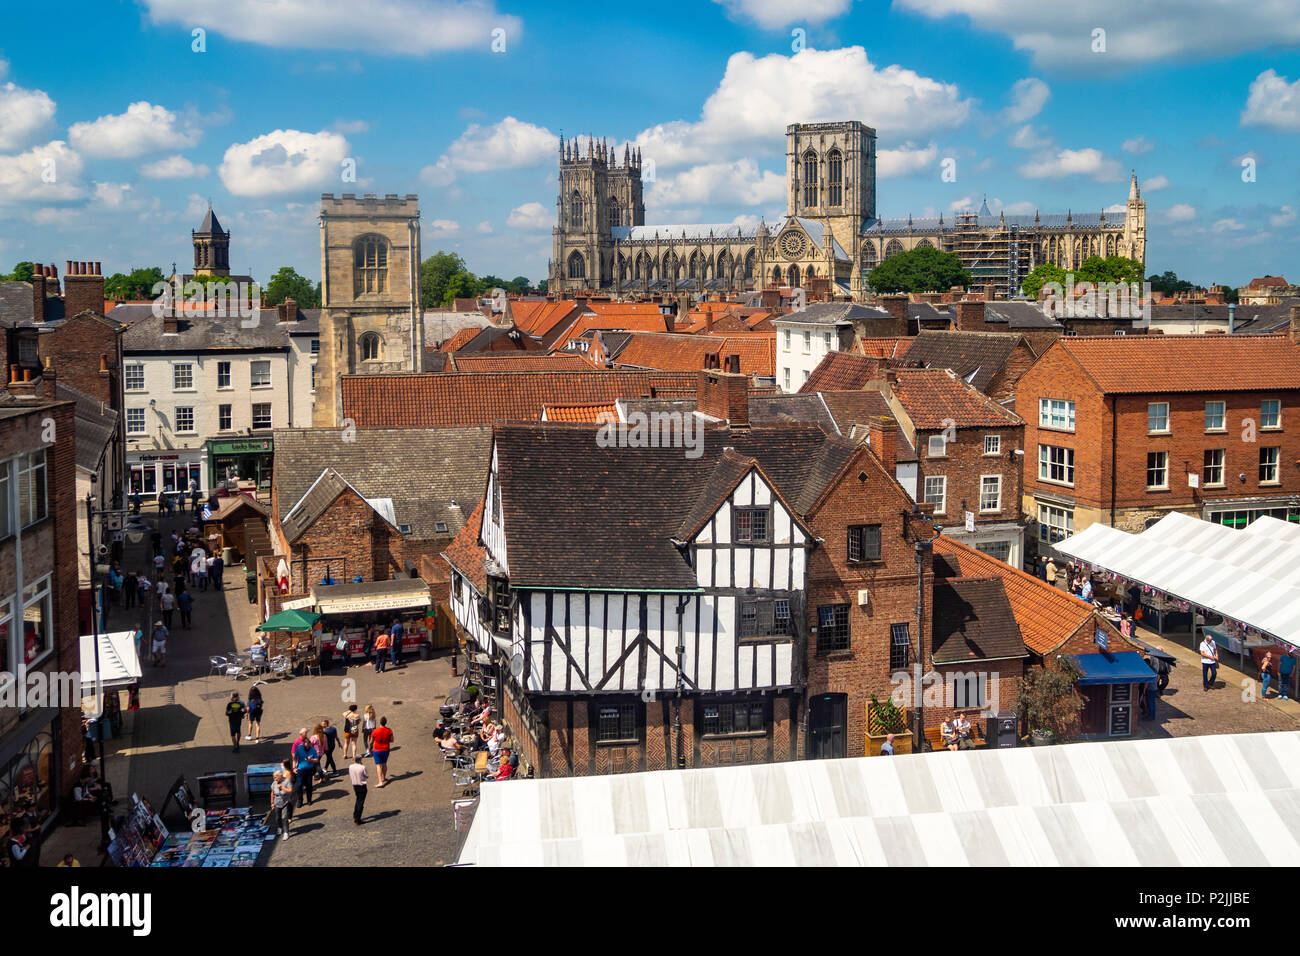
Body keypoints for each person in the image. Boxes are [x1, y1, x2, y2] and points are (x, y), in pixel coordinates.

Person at [292, 733, 319, 807]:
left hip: (309, 770)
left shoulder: (313, 750)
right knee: (299, 785)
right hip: (300, 770)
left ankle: (309, 800)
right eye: (305, 746)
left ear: (310, 744)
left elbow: (317, 760)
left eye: (308, 746)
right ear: (303, 744)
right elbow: (294, 758)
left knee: (309, 786)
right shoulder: (300, 749)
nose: (307, 748)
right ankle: (300, 801)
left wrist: (311, 760)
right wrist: (294, 768)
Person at [369, 716, 394, 787]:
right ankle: (383, 777)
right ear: (385, 723)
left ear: (380, 722)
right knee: (384, 763)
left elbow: (371, 742)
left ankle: (380, 782)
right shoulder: (389, 730)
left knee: (378, 765)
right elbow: (392, 740)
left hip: (377, 750)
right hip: (386, 749)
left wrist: (370, 747)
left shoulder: (375, 731)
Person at [271, 770, 294, 840]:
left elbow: (290, 790)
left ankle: (286, 832)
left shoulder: (287, 781)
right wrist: (272, 803)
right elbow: (272, 793)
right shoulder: (274, 783)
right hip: (277, 802)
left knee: (284, 817)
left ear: (280, 777)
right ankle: (280, 827)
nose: (274, 779)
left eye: (275, 777)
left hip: (285, 802)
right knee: (278, 818)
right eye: (274, 778)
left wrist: (282, 788)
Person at [349, 757, 368, 825]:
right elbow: (366, 776)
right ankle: (358, 819)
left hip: (355, 785)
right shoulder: (362, 767)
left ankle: (355, 815)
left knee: (358, 800)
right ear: (360, 760)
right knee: (360, 802)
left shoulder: (350, 766)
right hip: (362, 786)